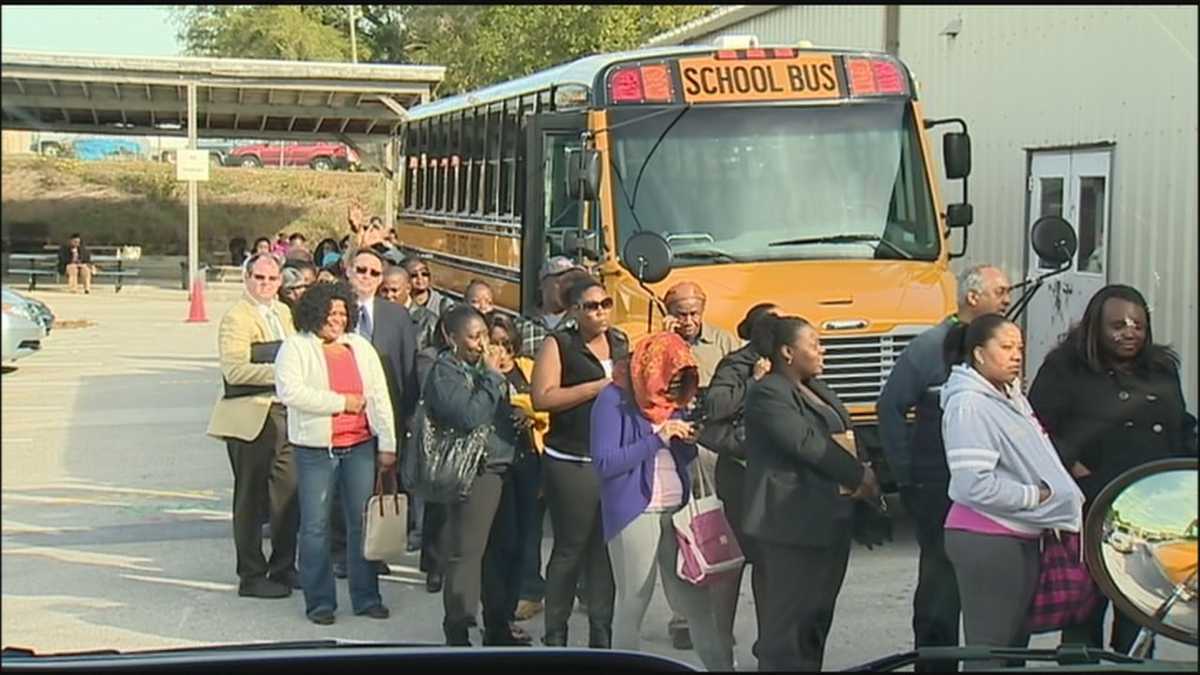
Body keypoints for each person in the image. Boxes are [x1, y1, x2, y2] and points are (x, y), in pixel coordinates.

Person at [1029, 285, 1192, 655]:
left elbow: (1178, 424)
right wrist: (1071, 463)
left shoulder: (1162, 368)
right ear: (1095, 328)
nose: (1129, 332)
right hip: (1091, 503)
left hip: (1149, 506)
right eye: (1117, 325)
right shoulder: (1065, 367)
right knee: (1084, 610)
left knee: (1139, 607)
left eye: (1138, 324)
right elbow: (1035, 429)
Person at [876, 263, 1012, 671]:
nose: (1007, 299)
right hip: (940, 489)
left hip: (993, 488)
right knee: (939, 591)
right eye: (1000, 291)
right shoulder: (929, 347)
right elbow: (891, 406)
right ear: (973, 298)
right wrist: (906, 474)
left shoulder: (1003, 346)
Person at [940, 314, 1083, 670]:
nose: (1016, 355)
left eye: (1018, 347)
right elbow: (971, 484)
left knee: (1012, 648)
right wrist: (1036, 497)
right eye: (1005, 347)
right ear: (978, 354)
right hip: (987, 538)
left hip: (1018, 537)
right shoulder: (969, 405)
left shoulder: (1009, 395)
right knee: (989, 649)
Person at [742, 314, 880, 671]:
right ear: (787, 351)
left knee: (815, 620)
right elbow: (805, 442)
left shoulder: (816, 387)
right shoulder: (768, 391)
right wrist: (858, 475)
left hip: (829, 520)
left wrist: (865, 469)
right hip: (790, 524)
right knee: (786, 628)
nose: (823, 349)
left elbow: (843, 434)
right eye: (815, 343)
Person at [591, 331, 734, 670]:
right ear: (653, 371)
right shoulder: (612, 400)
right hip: (635, 511)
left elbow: (679, 453)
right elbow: (605, 463)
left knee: (697, 602)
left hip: (678, 510)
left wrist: (687, 438)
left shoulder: (673, 399)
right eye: (670, 381)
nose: (672, 392)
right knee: (634, 601)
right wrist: (660, 437)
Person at [274, 281, 397, 625]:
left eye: (343, 312)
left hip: (358, 446)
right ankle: (320, 603)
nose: (337, 319)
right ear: (314, 313)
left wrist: (387, 445)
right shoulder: (296, 347)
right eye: (331, 313)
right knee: (315, 527)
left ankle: (367, 597)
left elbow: (379, 397)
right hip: (316, 450)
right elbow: (290, 392)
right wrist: (341, 403)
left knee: (362, 524)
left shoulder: (360, 347)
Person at [531, 277, 629, 648]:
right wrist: (598, 387)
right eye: (591, 306)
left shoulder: (619, 341)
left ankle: (601, 636)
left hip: (611, 459)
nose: (600, 311)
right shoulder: (559, 344)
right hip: (571, 459)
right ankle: (556, 635)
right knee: (570, 549)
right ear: (573, 311)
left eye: (605, 303)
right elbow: (543, 397)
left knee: (603, 551)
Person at [425, 305, 521, 646]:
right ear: (451, 338)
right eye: (474, 336)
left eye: (484, 335)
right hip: (474, 471)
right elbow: (469, 415)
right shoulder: (445, 371)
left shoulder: (481, 368)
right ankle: (458, 627)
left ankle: (496, 625)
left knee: (500, 549)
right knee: (468, 552)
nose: (482, 344)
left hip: (501, 466)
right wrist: (494, 378)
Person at [206, 252, 299, 599]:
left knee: (288, 495)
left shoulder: (284, 312)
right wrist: (281, 373)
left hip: (284, 416)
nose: (266, 285)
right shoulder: (236, 317)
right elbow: (234, 370)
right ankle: (251, 574)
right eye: (259, 278)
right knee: (250, 500)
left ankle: (284, 566)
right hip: (250, 419)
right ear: (247, 279)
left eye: (272, 279)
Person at [659, 281, 741, 650]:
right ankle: (682, 615)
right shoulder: (657, 343)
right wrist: (664, 343)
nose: (688, 321)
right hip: (669, 445)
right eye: (680, 313)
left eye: (694, 313)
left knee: (713, 524)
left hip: (711, 444)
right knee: (677, 529)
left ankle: (717, 616)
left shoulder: (724, 343)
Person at [329, 248, 419, 578]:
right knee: (343, 490)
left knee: (379, 487)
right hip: (341, 417)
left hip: (385, 416)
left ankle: (374, 551)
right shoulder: (333, 312)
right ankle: (341, 550)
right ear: (348, 271)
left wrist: (406, 416)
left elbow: (408, 369)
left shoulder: (395, 316)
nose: (367, 278)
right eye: (361, 270)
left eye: (374, 273)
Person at [698, 301, 780, 663]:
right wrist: (754, 383)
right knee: (731, 566)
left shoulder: (788, 362)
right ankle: (721, 644)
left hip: (775, 479)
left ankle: (769, 645)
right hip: (740, 476)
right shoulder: (737, 364)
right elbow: (715, 408)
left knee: (768, 566)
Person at [483, 313, 541, 645]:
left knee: (524, 540)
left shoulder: (528, 369)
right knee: (499, 545)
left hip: (529, 462)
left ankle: (509, 613)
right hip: (495, 468)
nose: (502, 352)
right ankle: (495, 619)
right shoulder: (481, 374)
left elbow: (545, 403)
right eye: (495, 343)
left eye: (507, 344)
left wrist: (530, 414)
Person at [518, 257, 583, 359]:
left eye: (571, 281)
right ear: (543, 284)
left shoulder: (581, 323)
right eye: (561, 281)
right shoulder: (521, 326)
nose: (567, 287)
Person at [380, 265, 438, 350]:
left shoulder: (429, 323)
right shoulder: (376, 317)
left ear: (408, 288)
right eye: (384, 291)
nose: (389, 295)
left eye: (394, 290)